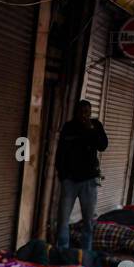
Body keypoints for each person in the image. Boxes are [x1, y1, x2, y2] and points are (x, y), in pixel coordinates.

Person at [54, 100, 109, 252]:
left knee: (88, 222)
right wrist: (63, 176)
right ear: (76, 112)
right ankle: (62, 253)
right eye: (81, 111)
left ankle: (86, 254)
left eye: (87, 112)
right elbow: (60, 153)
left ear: (90, 113)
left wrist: (90, 129)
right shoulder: (69, 127)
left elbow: (103, 146)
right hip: (70, 181)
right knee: (63, 220)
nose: (84, 115)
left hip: (89, 181)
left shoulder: (95, 126)